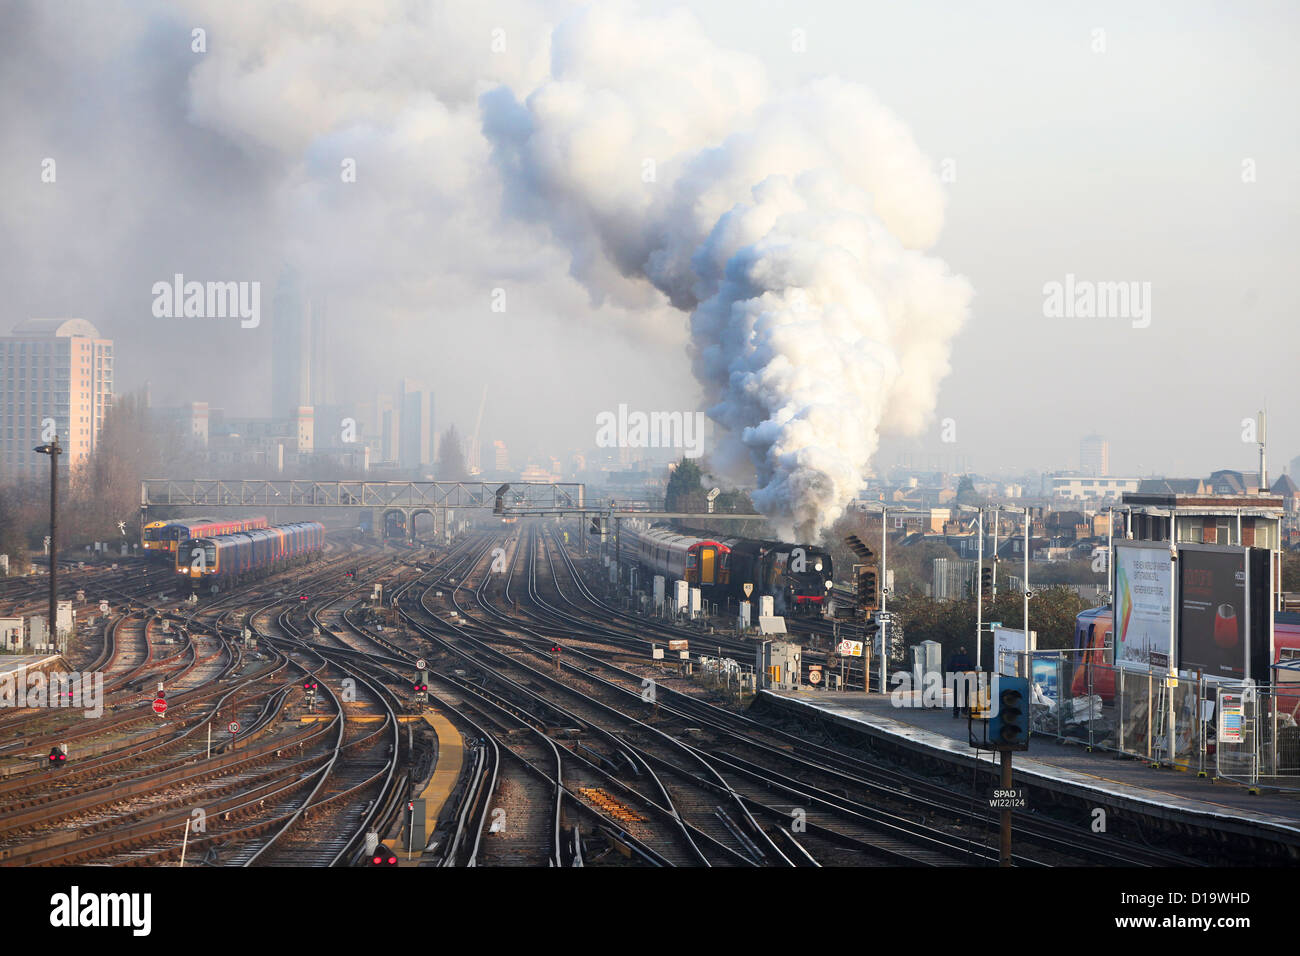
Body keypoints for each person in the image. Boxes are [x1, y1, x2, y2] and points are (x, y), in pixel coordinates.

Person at [947, 645, 975, 717]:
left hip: (956, 680)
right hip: (965, 680)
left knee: (956, 697)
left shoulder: (953, 658)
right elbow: (972, 669)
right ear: (965, 651)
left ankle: (956, 713)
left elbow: (949, 668)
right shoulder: (968, 658)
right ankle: (964, 712)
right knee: (965, 697)